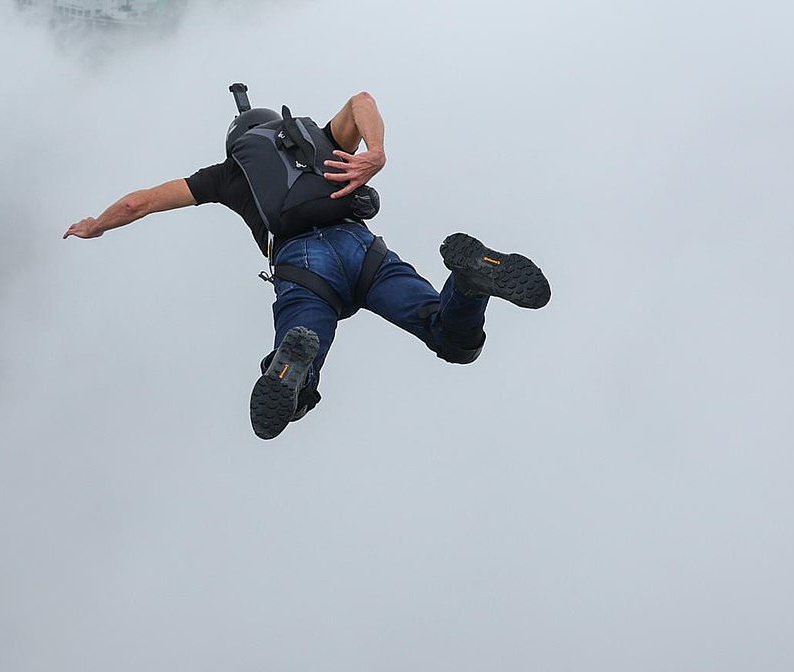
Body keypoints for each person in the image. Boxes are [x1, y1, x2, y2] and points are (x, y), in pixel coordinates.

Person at [63, 89, 550, 440]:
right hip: (364, 250)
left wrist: (97, 225)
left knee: (298, 365)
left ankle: (294, 369)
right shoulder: (319, 136)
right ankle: (468, 282)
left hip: (303, 268)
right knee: (451, 339)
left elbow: (139, 204)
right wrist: (374, 153)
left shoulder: (225, 175)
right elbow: (363, 99)